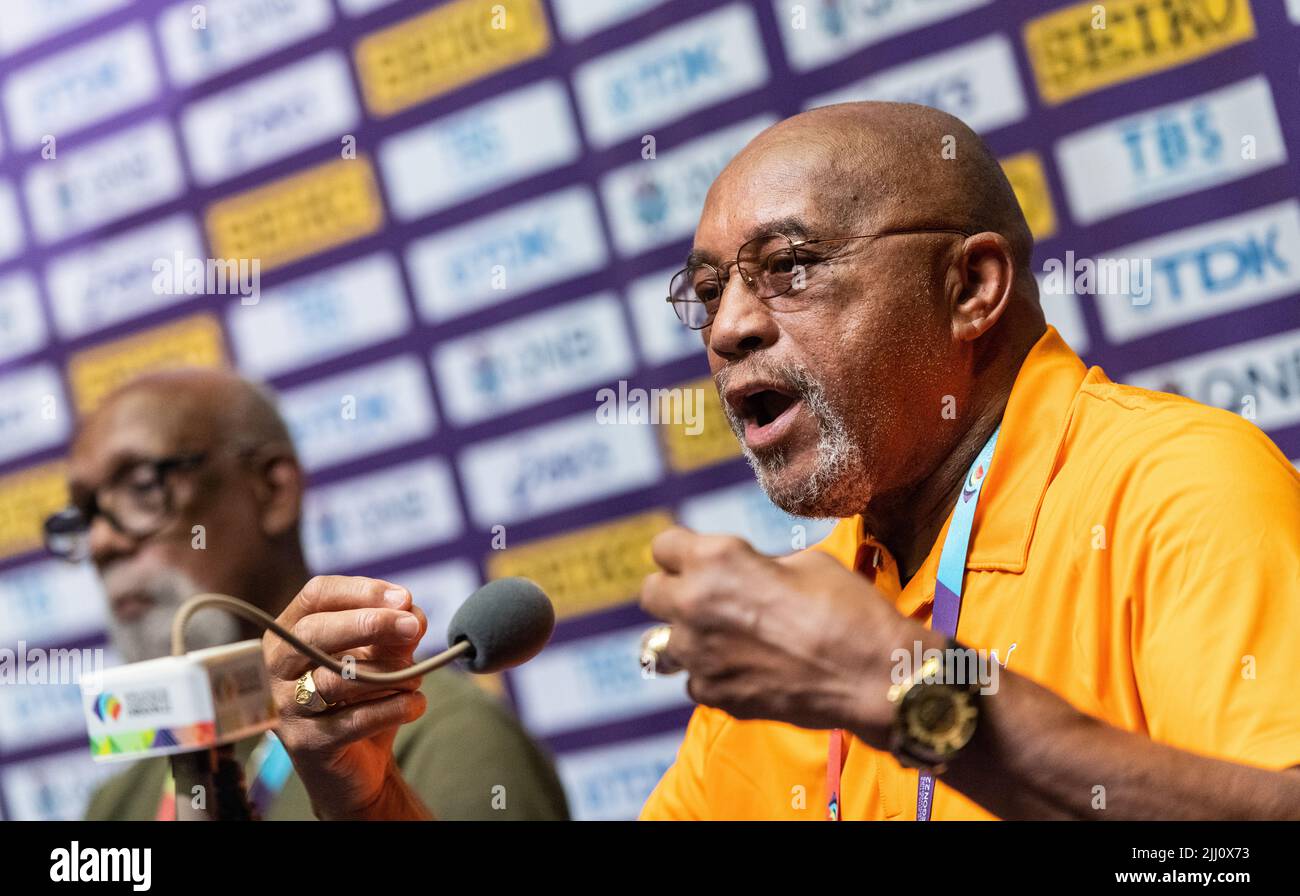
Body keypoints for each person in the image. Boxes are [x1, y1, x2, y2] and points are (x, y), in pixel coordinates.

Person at [243, 101, 1300, 821]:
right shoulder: (816, 600)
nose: (729, 327)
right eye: (707, 292)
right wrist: (363, 791)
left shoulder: (1176, 486)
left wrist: (905, 694)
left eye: (788, 268)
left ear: (971, 288)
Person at [49, 369, 569, 821]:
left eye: (142, 485)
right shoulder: (115, 804)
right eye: (85, 514)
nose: (101, 541)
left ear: (272, 491)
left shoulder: (436, 735)